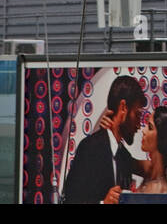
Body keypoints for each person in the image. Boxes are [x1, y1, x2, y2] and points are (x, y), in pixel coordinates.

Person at [60, 74, 146, 204]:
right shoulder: (90, 148)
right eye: (137, 115)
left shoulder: (124, 157)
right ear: (123, 107)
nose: (139, 125)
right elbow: (69, 200)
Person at [101, 105, 167, 202]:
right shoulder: (151, 169)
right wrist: (111, 131)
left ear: (162, 138)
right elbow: (126, 160)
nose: (143, 131)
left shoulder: (159, 191)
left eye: (150, 127)